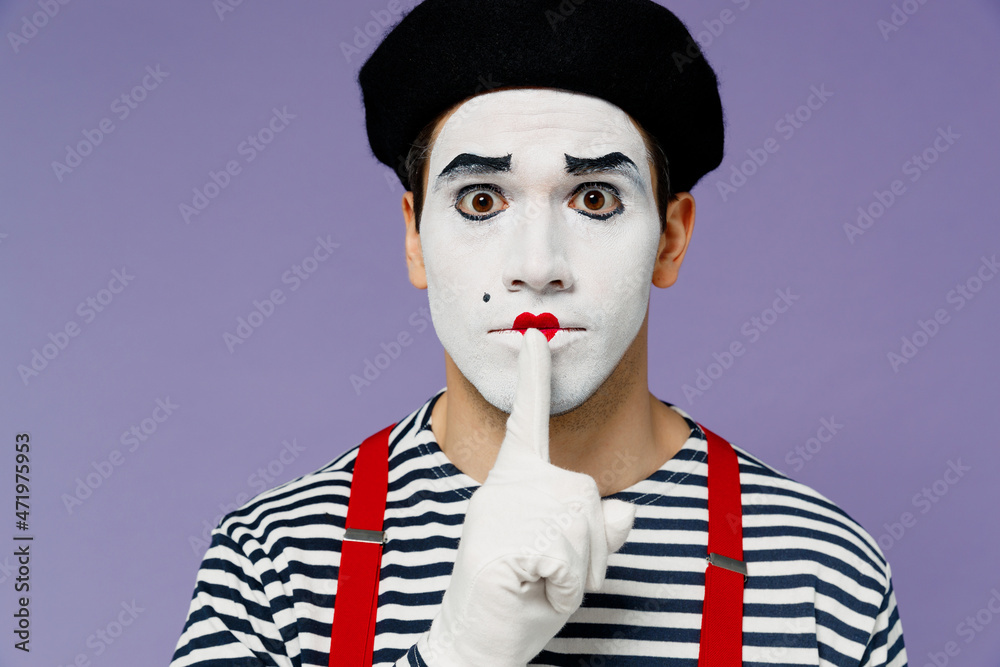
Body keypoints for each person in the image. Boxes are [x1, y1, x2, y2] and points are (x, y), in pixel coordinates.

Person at [170, 1, 908, 665]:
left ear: (670, 240)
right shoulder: (275, 561)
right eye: (481, 198)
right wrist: (463, 650)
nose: (536, 266)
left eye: (594, 197)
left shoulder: (823, 574)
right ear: (416, 240)